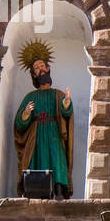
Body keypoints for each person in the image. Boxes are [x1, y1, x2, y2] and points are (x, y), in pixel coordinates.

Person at [14, 44, 73, 199]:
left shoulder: (58, 94)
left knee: (57, 158)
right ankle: (34, 190)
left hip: (54, 132)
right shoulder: (30, 97)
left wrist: (66, 103)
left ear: (47, 69)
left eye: (42, 66)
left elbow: (66, 114)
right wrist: (26, 114)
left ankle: (59, 190)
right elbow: (19, 125)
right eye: (36, 68)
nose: (40, 69)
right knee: (37, 158)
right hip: (37, 134)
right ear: (34, 75)